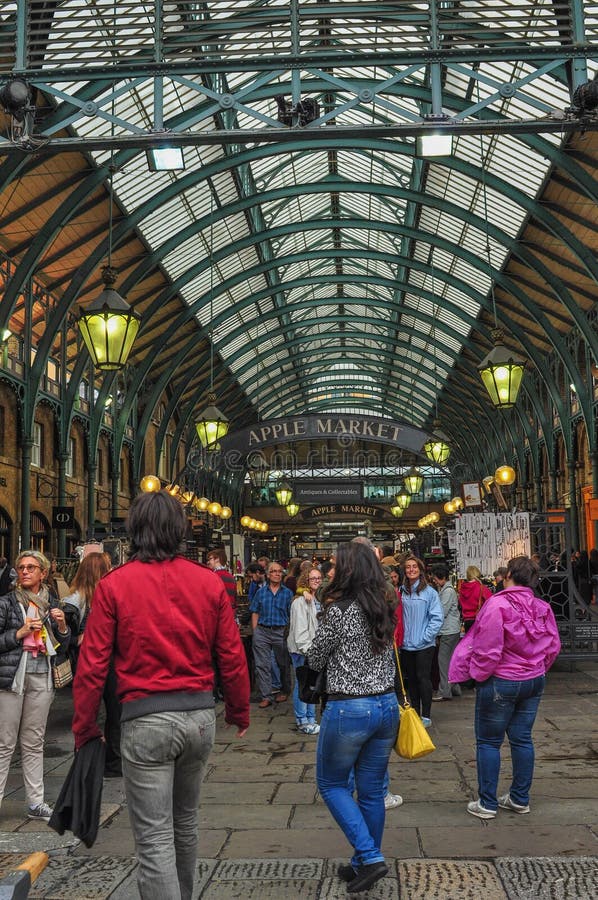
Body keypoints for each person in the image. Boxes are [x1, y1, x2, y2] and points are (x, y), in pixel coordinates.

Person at [72, 490, 250, 900]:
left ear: (135, 530)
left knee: (153, 837)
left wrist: (85, 726)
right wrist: (238, 710)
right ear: (179, 529)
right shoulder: (207, 582)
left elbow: (92, 665)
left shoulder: (114, 585)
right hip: (199, 718)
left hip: (145, 720)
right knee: (185, 823)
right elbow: (231, 654)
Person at [307, 542, 399, 894]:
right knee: (372, 792)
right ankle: (363, 862)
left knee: (331, 784)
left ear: (347, 570)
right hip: (386, 705)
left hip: (350, 708)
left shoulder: (340, 610)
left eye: (335, 565)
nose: (330, 571)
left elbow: (316, 656)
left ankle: (370, 856)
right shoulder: (384, 606)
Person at [449, 555, 561, 819]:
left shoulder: (497, 604)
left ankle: (487, 803)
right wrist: (538, 667)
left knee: (489, 742)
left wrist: (478, 676)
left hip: (501, 680)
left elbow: (487, 649)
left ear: (508, 574)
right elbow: (553, 645)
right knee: (522, 739)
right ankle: (519, 798)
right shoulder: (542, 606)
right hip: (533, 679)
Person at [0, 550, 71, 821]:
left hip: (42, 676)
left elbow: (62, 646)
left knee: (34, 741)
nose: (25, 571)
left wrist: (62, 627)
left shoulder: (52, 604)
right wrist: (19, 633)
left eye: (31, 567)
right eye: (21, 567)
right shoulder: (6, 603)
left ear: (43, 573)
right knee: (4, 742)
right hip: (12, 680)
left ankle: (35, 802)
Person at [64, 552, 120, 776]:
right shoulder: (76, 601)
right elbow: (64, 637)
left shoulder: (77, 598)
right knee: (110, 711)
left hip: (95, 661)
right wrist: (79, 638)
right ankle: (109, 762)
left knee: (95, 711)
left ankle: (93, 762)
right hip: (100, 660)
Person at [400, 556, 444, 727]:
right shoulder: (401, 591)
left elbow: (437, 618)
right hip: (406, 644)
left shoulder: (430, 592)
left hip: (424, 644)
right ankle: (415, 712)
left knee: (423, 678)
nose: (411, 570)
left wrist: (426, 637)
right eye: (408, 567)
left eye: (414, 567)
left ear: (420, 570)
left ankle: (426, 715)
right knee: (411, 680)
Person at [249, 561, 293, 707]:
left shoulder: (287, 593)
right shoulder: (261, 593)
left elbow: (291, 615)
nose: (277, 574)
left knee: (283, 664)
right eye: (273, 571)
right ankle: (266, 696)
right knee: (262, 665)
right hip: (262, 631)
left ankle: (284, 691)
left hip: (281, 632)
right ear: (268, 575)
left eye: (279, 571)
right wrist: (255, 631)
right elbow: (255, 612)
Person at [287, 567, 321, 734]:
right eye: (312, 578)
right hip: (302, 651)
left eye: (318, 577)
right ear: (305, 581)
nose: (316, 580)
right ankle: (302, 721)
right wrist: (308, 650)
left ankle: (311, 719)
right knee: (302, 685)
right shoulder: (300, 602)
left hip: (313, 649)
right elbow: (300, 631)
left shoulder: (316, 599)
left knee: (311, 684)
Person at [431, 565, 462, 701]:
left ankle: (444, 691)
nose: (434, 581)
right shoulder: (446, 590)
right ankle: (454, 687)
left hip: (448, 631)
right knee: (450, 661)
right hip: (452, 630)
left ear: (442, 578)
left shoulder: (447, 591)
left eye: (435, 578)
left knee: (443, 662)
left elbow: (441, 612)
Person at [458, 565, 492, 632]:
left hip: (467, 621)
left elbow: (460, 604)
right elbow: (492, 603)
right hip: (479, 620)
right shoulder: (482, 588)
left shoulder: (462, 589)